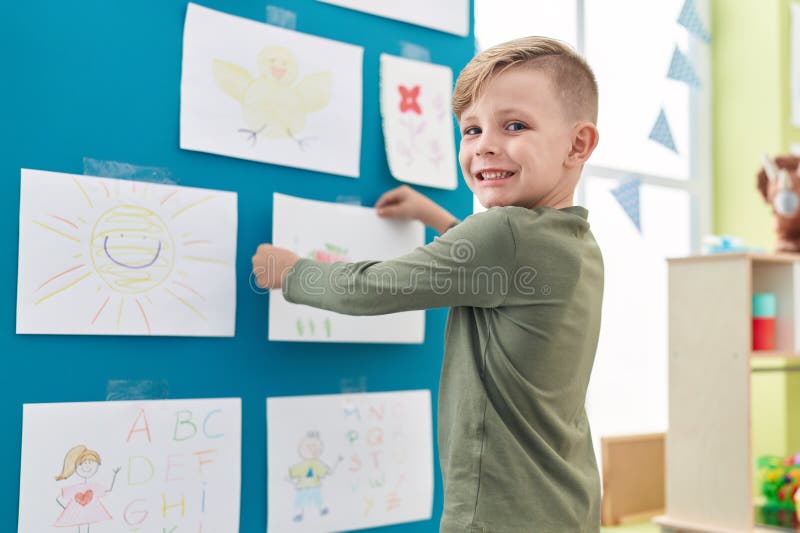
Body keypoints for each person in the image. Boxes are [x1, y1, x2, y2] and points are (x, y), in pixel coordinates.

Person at [252, 35, 603, 532]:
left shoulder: (502, 234)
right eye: (471, 130)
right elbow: (499, 268)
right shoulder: (575, 241)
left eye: (515, 125)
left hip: (497, 515)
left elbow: (375, 288)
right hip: (568, 501)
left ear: (578, 143)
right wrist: (434, 215)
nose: (485, 145)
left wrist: (291, 272)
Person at [54, 444, 120, 532]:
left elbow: (108, 489)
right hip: (79, 514)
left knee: (86, 527)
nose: (87, 466)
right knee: (82, 528)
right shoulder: (74, 488)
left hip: (90, 513)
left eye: (90, 462)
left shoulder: (94, 486)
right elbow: (58, 498)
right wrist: (68, 509)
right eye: (83, 463)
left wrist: (114, 475)